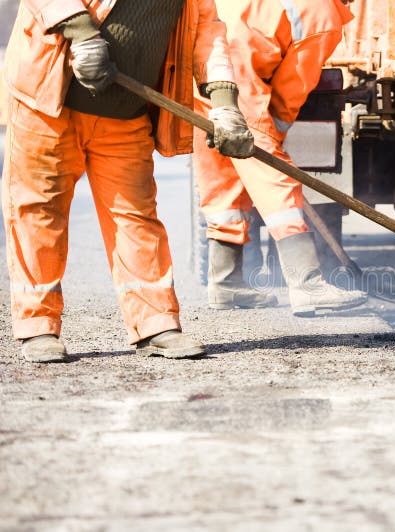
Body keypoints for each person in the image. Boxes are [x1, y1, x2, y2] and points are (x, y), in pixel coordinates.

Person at [2, 0, 254, 362]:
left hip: (124, 111)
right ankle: (38, 326)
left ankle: (156, 323)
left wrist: (224, 101)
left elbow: (206, 32)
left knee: (136, 216)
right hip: (48, 102)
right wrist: (81, 32)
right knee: (39, 210)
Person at [192, 0, 368, 317]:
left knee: (223, 182)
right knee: (276, 185)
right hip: (238, 85)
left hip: (204, 73)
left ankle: (226, 283)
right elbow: (292, 89)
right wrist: (273, 136)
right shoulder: (323, 15)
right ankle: (307, 284)